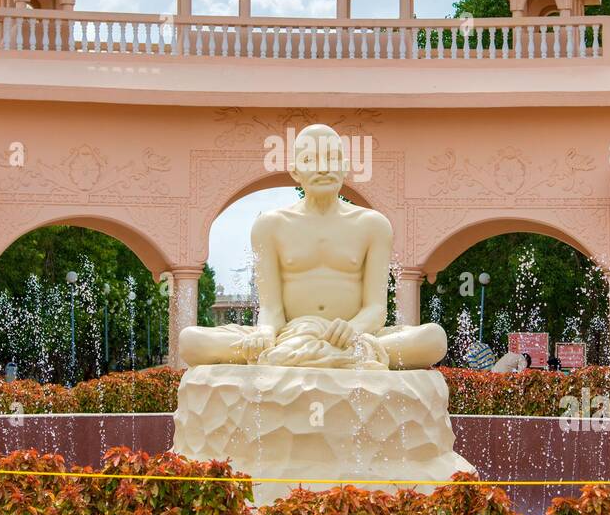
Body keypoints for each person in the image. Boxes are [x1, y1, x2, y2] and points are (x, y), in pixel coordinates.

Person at [179, 123, 447, 370]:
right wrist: (264, 333)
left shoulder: (373, 225)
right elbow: (272, 310)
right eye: (311, 160)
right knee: (192, 341)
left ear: (345, 166)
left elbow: (376, 309)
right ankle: (339, 359)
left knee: (434, 339)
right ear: (296, 171)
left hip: (353, 336)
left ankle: (296, 357)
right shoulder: (270, 225)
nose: (323, 168)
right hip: (289, 334)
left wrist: (353, 329)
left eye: (331, 158)